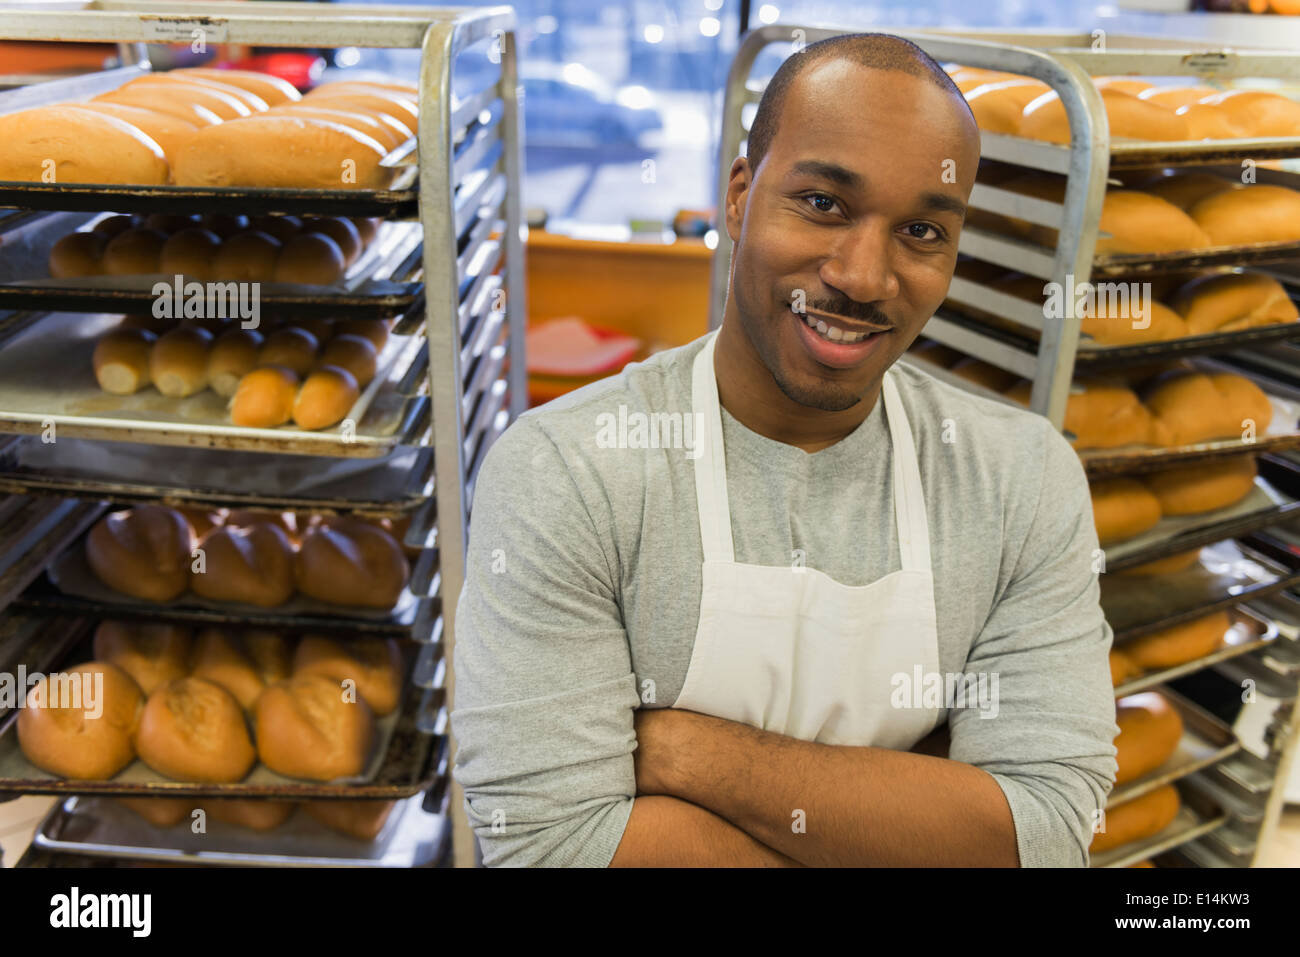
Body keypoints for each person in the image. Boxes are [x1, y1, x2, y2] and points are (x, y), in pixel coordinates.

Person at [451, 32, 1119, 867]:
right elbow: (551, 846)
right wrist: (912, 811)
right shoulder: (568, 472)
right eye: (823, 204)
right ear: (739, 197)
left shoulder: (1020, 480)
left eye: (920, 228)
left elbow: (1048, 832)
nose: (865, 275)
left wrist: (683, 755)